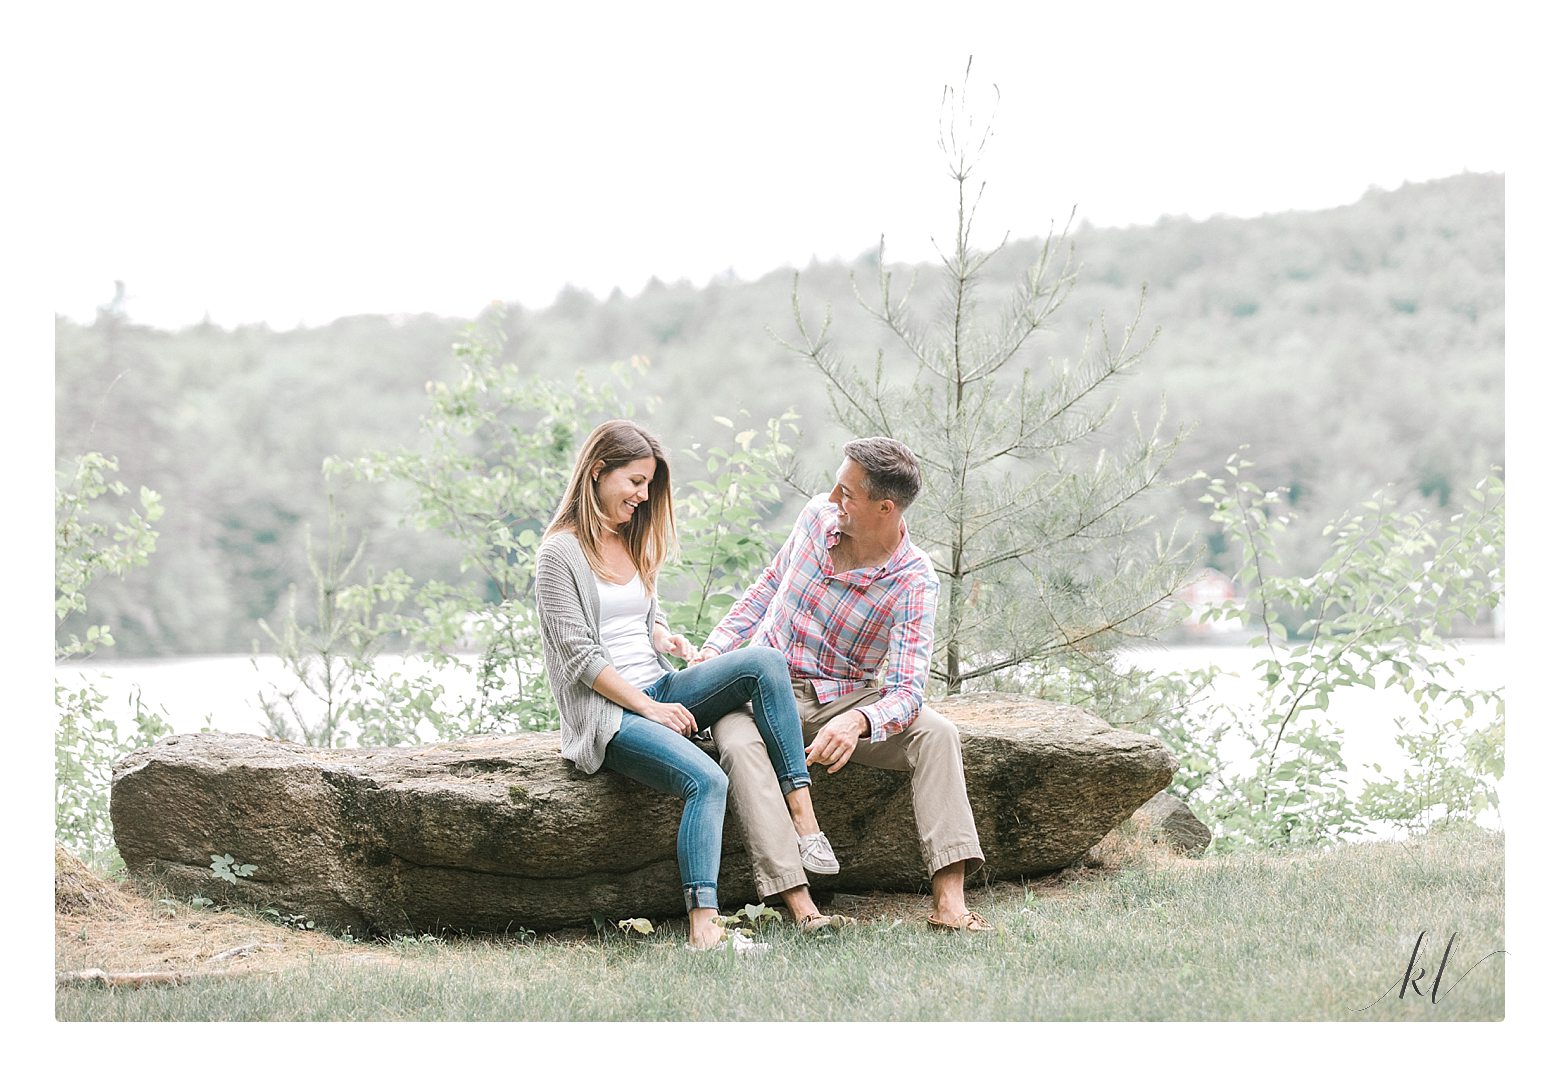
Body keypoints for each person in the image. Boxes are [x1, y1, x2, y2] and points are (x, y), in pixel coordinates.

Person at [534, 419, 840, 953]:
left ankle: (803, 819)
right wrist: (650, 712)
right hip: (611, 714)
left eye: (648, 484)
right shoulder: (559, 554)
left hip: (659, 683)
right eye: (635, 481)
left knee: (765, 661)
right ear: (598, 472)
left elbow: (632, 619)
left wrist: (663, 636)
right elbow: (580, 655)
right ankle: (705, 925)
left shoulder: (625, 538)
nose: (642, 496)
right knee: (708, 780)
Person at [690, 436, 993, 934]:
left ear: (885, 508)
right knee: (742, 751)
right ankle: (804, 909)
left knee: (938, 734)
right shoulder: (815, 519)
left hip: (838, 699)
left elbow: (907, 690)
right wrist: (714, 653)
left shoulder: (914, 581)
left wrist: (859, 719)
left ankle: (950, 905)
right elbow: (767, 586)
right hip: (754, 689)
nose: (833, 499)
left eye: (846, 493)